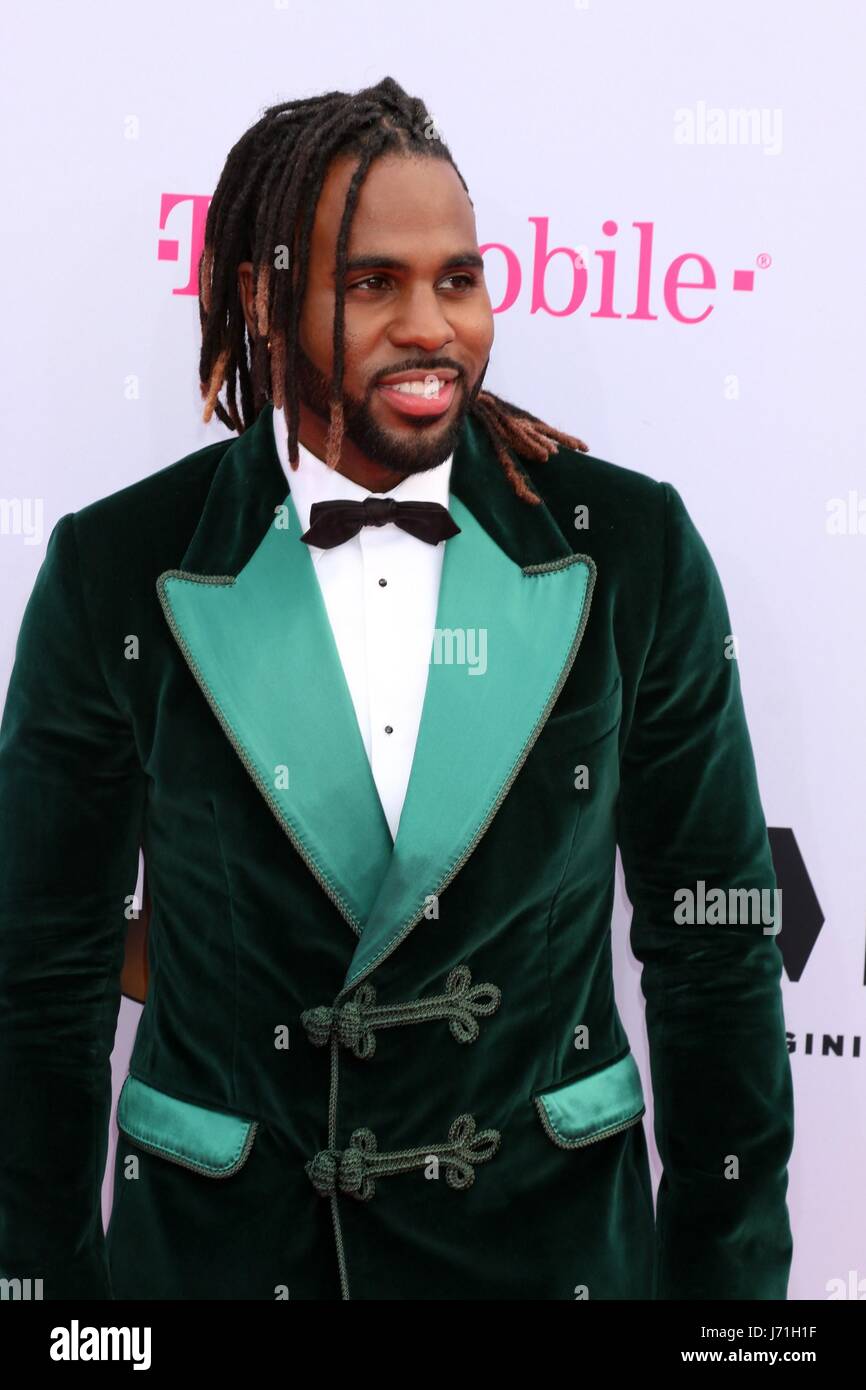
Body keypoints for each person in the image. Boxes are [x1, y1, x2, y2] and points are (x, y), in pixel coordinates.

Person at [0, 76, 794, 1301]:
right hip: (221, 1264)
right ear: (264, 297)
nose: (430, 325)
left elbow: (713, 957)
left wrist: (729, 1320)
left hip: (547, 1255)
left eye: (457, 279)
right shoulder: (119, 569)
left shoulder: (627, 549)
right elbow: (39, 979)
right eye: (372, 283)